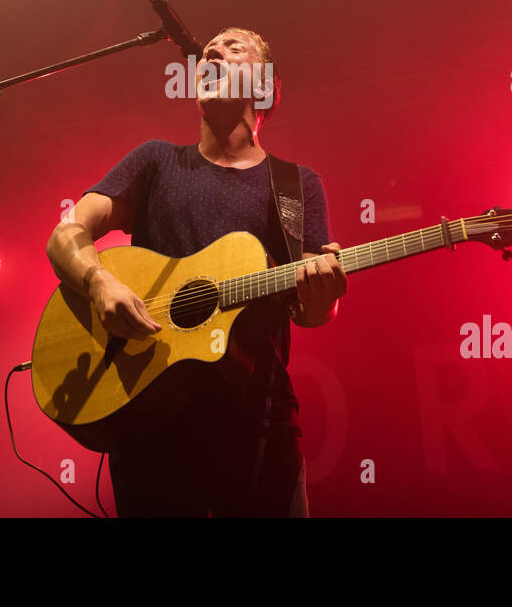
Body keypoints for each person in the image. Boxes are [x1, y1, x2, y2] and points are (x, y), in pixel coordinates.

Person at [44, 26, 347, 516]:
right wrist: (99, 282)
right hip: (150, 417)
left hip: (259, 420)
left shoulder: (296, 184)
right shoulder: (156, 162)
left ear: (264, 86)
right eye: (209, 49)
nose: (212, 51)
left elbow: (312, 312)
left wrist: (322, 293)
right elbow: (65, 234)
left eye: (234, 48)